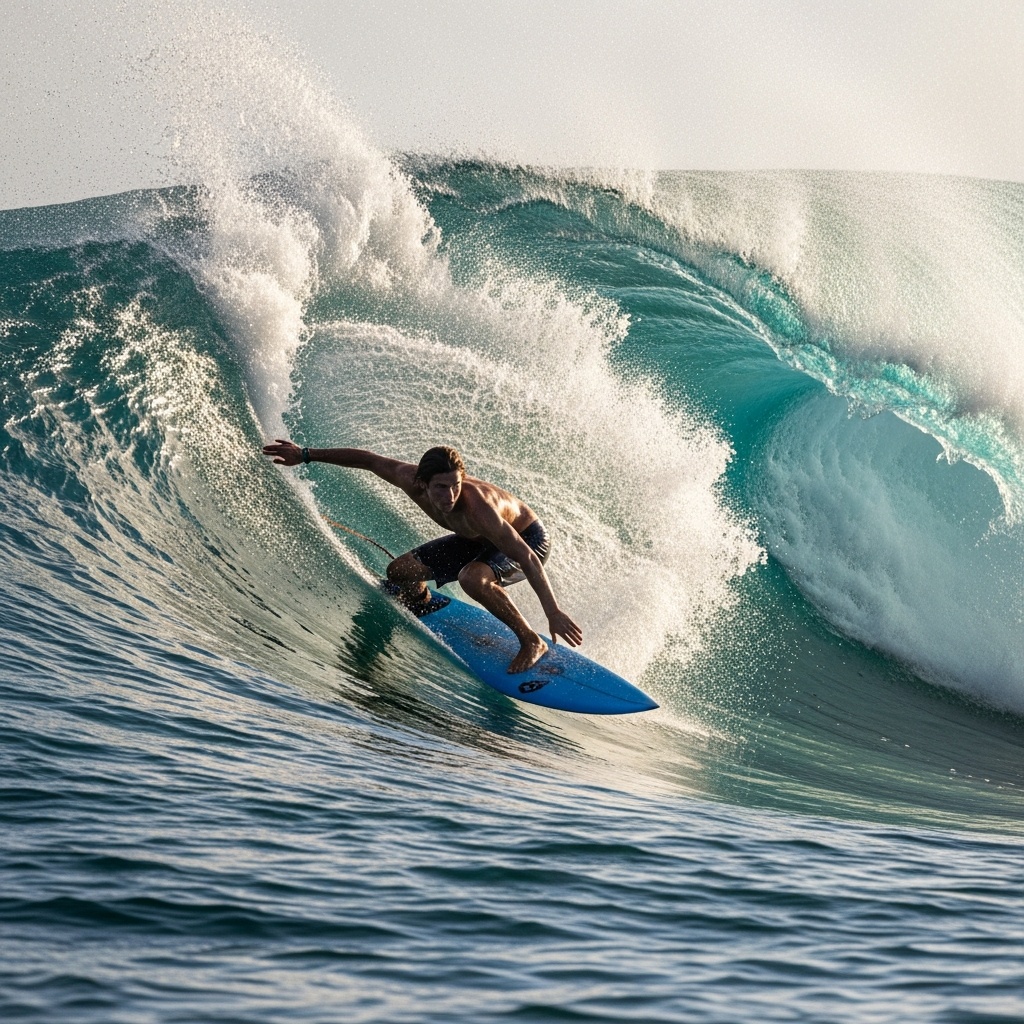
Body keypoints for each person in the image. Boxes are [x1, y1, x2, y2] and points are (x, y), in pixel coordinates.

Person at [262, 440, 583, 673]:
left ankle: (530, 641)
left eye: (455, 485)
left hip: (528, 540)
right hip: (475, 538)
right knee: (399, 572)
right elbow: (369, 460)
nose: (450, 496)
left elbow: (527, 557)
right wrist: (305, 455)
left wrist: (552, 611)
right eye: (441, 487)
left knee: (472, 578)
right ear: (422, 484)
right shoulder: (407, 478)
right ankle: (420, 597)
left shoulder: (479, 507)